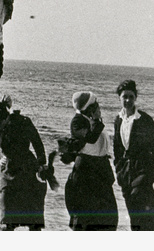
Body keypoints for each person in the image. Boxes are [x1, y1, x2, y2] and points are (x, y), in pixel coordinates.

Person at [0, 97, 49, 230]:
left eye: (0, 124)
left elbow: (37, 144)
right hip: (9, 172)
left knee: (34, 224)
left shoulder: (23, 122)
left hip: (28, 171)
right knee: (7, 221)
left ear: (6, 117)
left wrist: (41, 166)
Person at [58, 91, 119, 231]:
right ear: (89, 107)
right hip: (86, 171)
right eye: (95, 105)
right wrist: (96, 120)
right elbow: (90, 138)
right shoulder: (77, 121)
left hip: (100, 169)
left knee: (108, 217)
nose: (98, 107)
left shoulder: (90, 120)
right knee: (86, 219)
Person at [112, 79, 154, 230]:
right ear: (120, 98)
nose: (128, 100)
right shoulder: (118, 120)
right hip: (126, 175)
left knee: (145, 215)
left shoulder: (145, 120)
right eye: (125, 97)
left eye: (131, 96)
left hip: (143, 173)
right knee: (133, 216)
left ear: (135, 98)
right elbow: (117, 148)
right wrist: (118, 170)